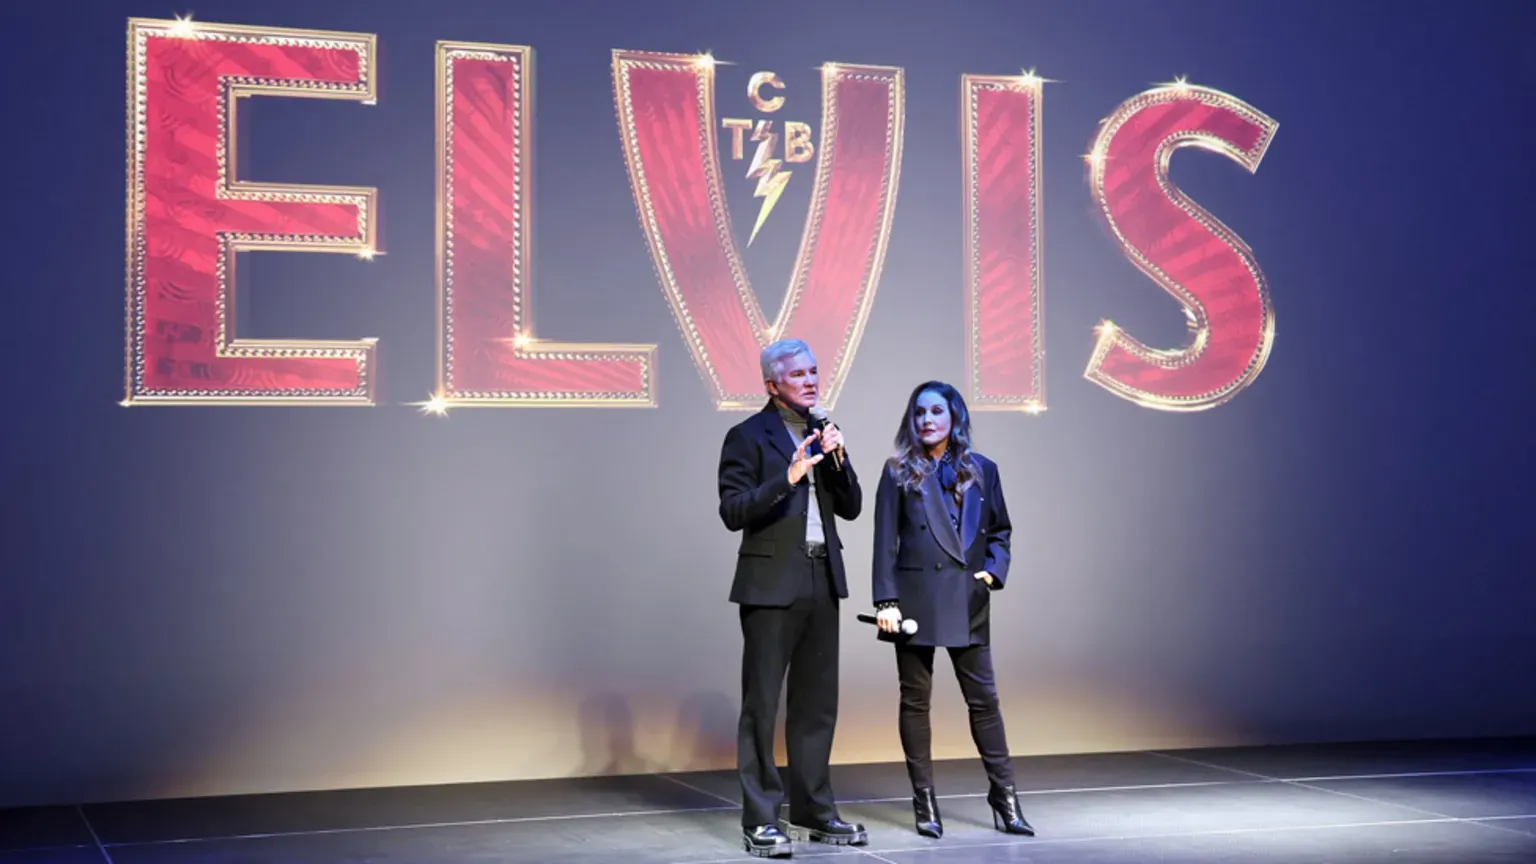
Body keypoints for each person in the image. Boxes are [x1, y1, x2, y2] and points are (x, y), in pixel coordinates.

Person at [717, 338, 868, 858]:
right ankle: (761, 819)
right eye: (799, 374)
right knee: (762, 705)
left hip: (822, 579)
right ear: (771, 384)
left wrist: (838, 458)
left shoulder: (824, 434)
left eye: (814, 371)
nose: (810, 380)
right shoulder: (747, 436)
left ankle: (813, 810)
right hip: (769, 585)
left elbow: (851, 507)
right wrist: (788, 477)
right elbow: (733, 510)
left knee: (817, 705)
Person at [871, 381, 1034, 839]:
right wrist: (885, 600)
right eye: (919, 412)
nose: (927, 420)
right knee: (916, 701)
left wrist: (992, 573)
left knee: (984, 703)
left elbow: (1000, 531)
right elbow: (885, 540)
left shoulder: (984, 470)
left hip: (967, 599)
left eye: (936, 411)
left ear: (954, 417)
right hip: (914, 600)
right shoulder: (897, 471)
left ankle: (1005, 797)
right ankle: (924, 800)